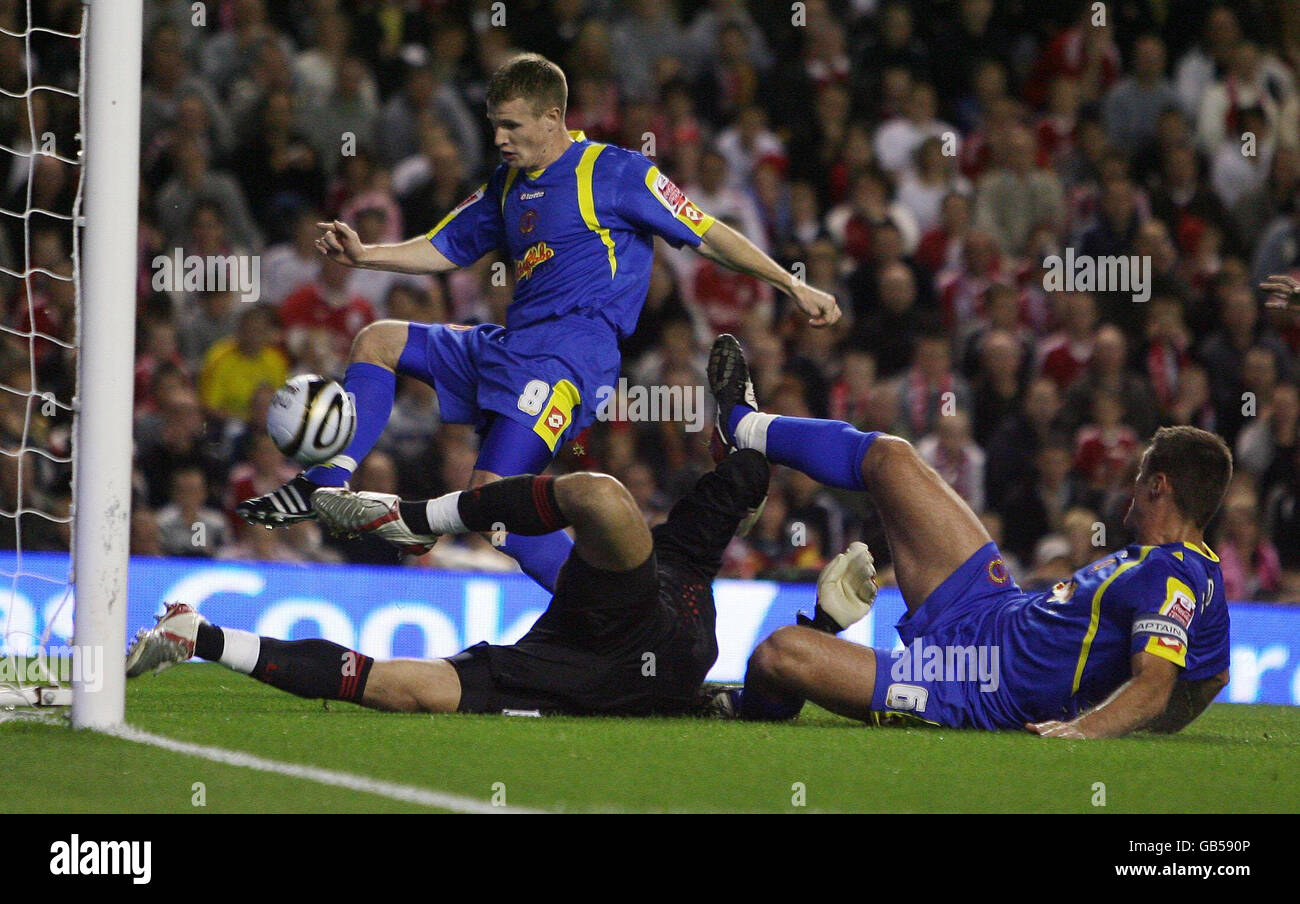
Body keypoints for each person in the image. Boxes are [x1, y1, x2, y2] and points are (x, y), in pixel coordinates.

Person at [237, 53, 839, 593]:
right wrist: (368, 254)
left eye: (512, 125)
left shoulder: (614, 171)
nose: (498, 137)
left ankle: (611, 611)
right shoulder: (505, 185)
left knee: (490, 502)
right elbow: (446, 245)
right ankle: (325, 484)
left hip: (568, 359)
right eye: (495, 123)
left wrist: (789, 283)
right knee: (379, 339)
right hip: (510, 344)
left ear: (554, 119)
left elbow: (706, 233)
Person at [705, 334, 1231, 738]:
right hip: (989, 606)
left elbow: (1157, 685)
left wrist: (1082, 729)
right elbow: (1211, 679)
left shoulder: (1170, 576)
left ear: (1159, 485)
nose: (1131, 490)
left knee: (781, 653)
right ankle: (743, 427)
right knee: (891, 457)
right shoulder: (1203, 573)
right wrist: (1144, 728)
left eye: (1140, 478)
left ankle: (756, 705)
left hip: (966, 684)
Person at [127, 449, 861, 719]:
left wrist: (822, 630)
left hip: (647, 651)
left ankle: (197, 632)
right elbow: (750, 469)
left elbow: (766, 704)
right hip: (595, 636)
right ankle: (416, 519)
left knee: (732, 470)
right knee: (398, 687)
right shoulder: (687, 553)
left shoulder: (716, 691)